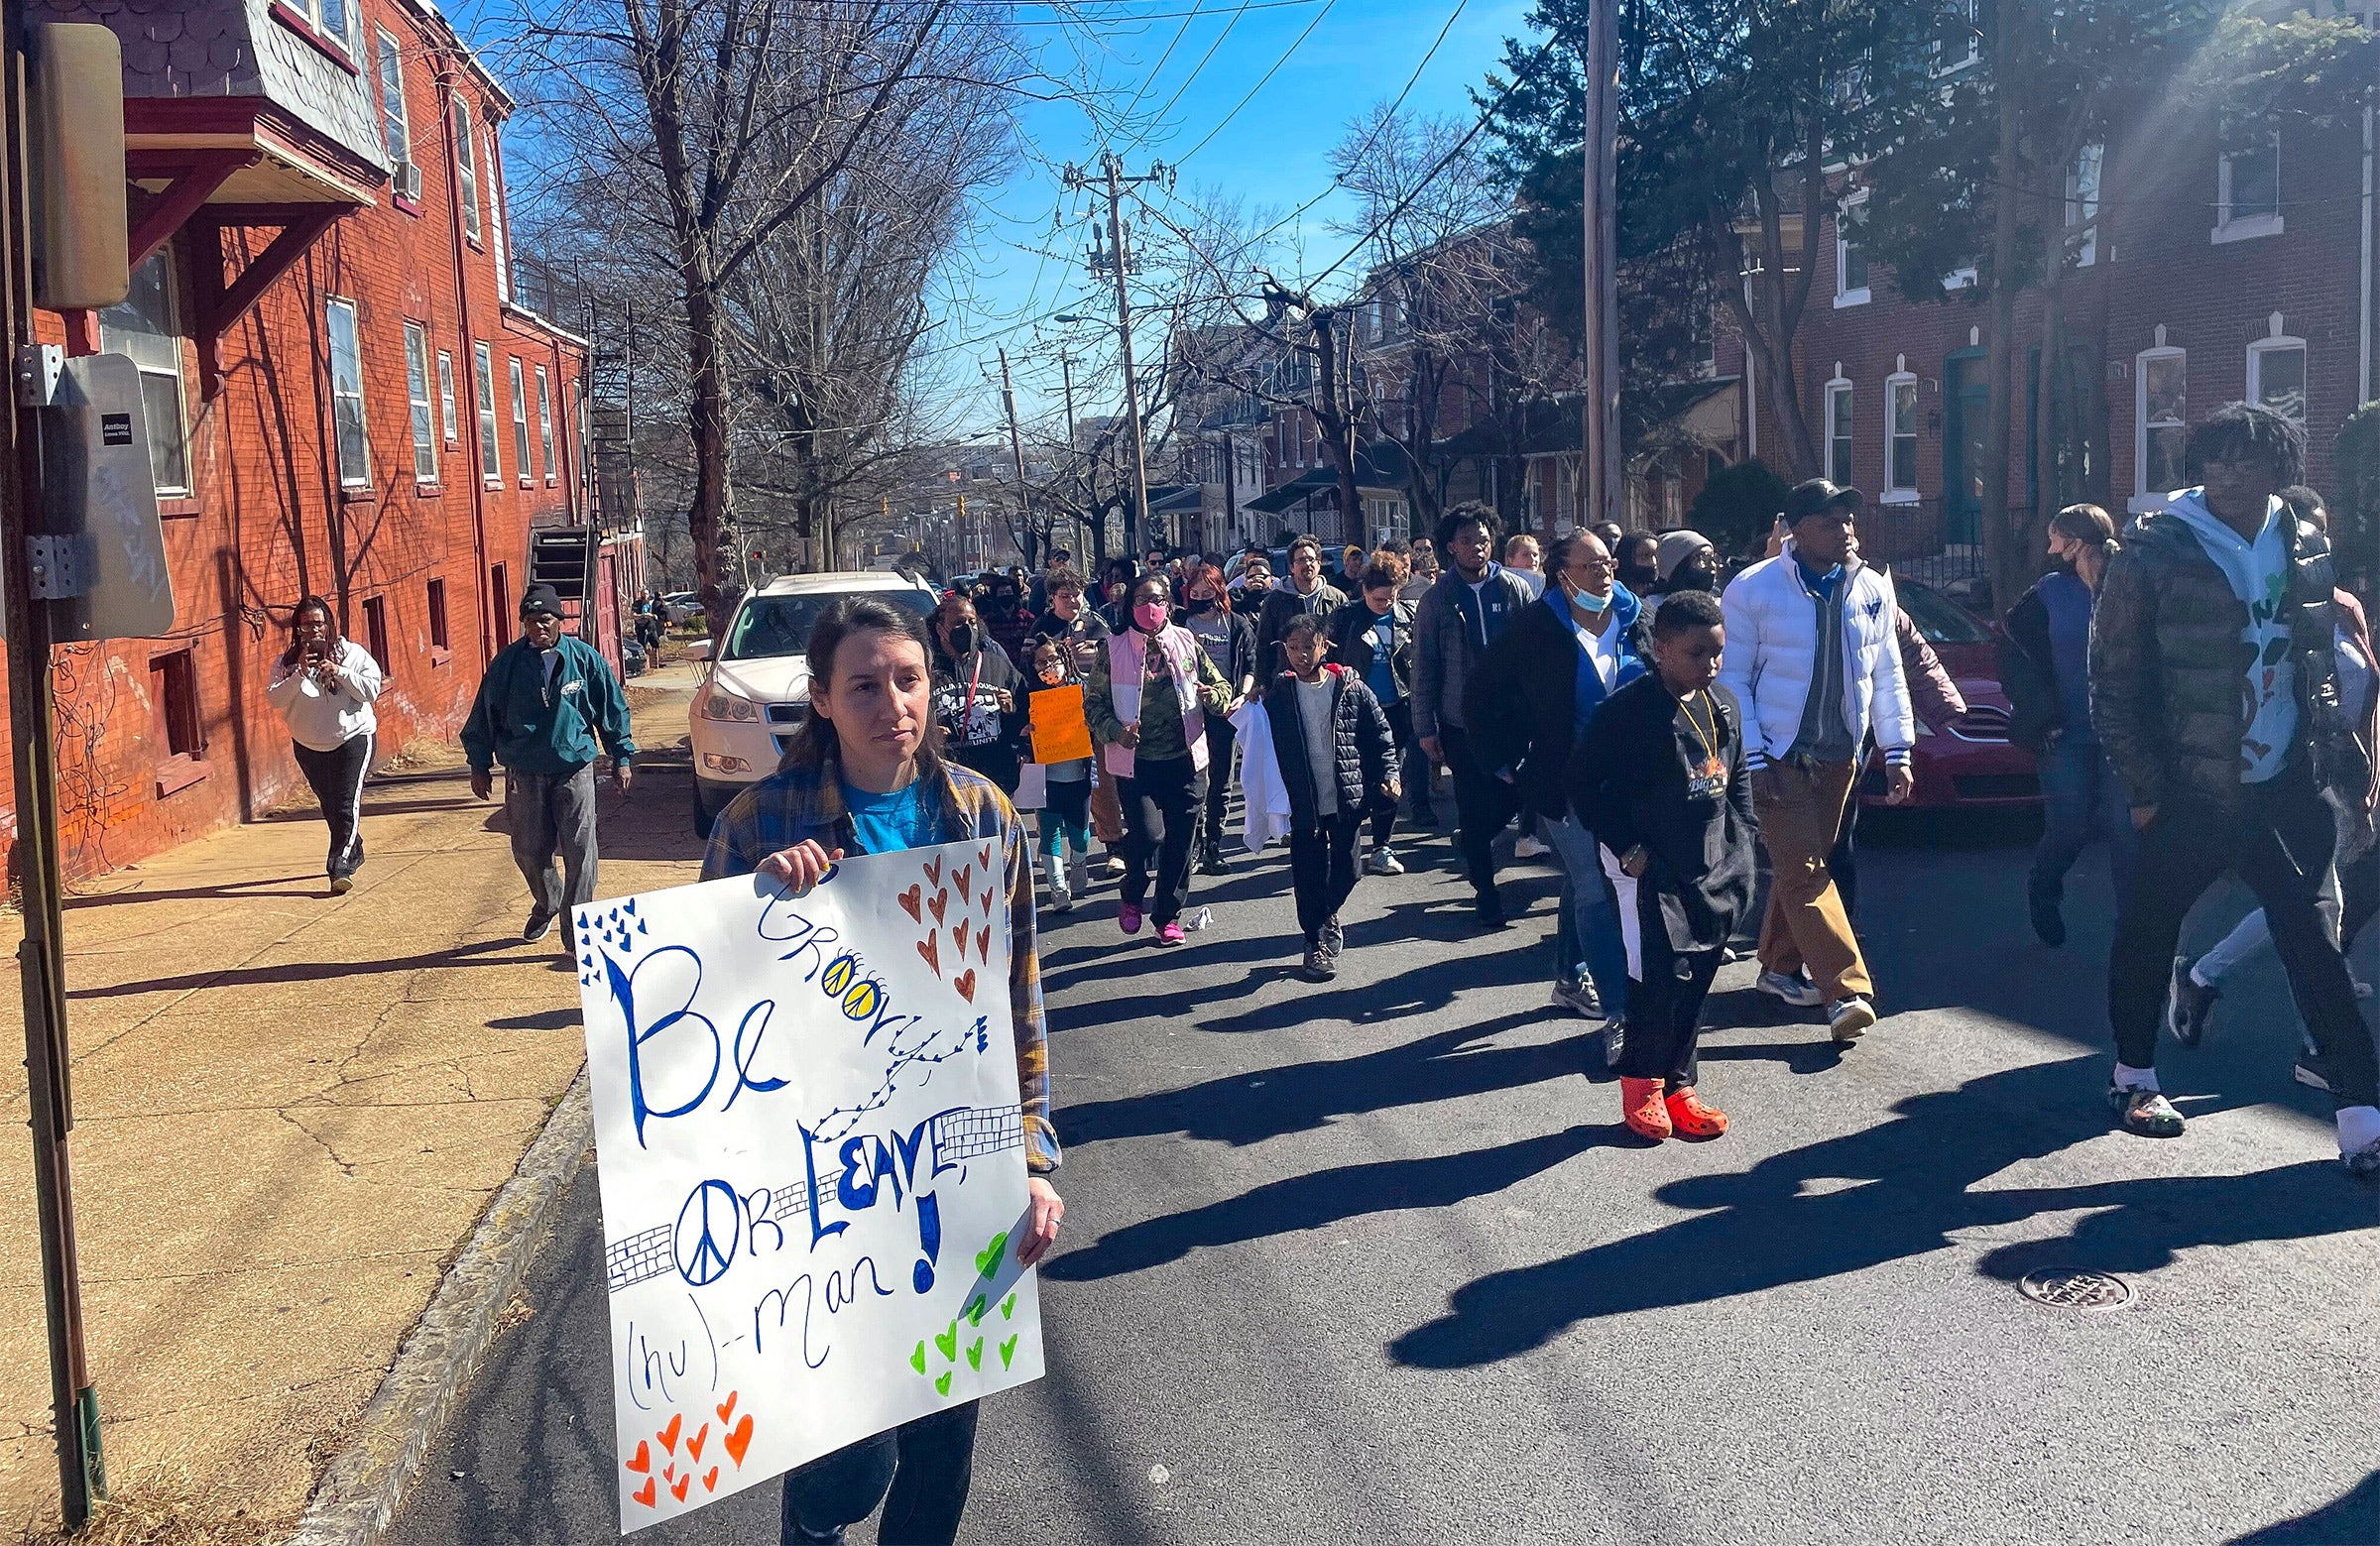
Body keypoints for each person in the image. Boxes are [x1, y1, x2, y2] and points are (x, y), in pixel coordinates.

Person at [695, 596, 1063, 1546]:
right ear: (820, 698)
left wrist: (1030, 1155)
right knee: (848, 1457)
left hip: (952, 1167)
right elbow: (696, 1016)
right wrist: (760, 909)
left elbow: (1015, 996)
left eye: (907, 680)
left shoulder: (979, 814)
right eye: (862, 684)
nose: (891, 702)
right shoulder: (757, 821)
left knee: (944, 1445)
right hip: (823, 1186)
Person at [2090, 405, 2379, 1171]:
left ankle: (2362, 1119)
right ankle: (2134, 1076)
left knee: (2316, 946)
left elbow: (2317, 666)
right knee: (2151, 928)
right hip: (2191, 786)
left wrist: (2342, 765)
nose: (2228, 473)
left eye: (2246, 459)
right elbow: (2112, 682)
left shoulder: (2303, 542)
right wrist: (2146, 790)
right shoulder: (2153, 551)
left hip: (2285, 785)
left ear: (2277, 468)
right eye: (2214, 459)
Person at [2166, 486, 2378, 1089]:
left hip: (2343, 774)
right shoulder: (2255, 602)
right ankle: (2317, 1043)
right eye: (2305, 535)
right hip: (2288, 776)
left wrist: (2370, 780)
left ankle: (2209, 978)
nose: (2316, 548)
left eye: (2320, 536)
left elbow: (2368, 696)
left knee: (2317, 907)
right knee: (2311, 907)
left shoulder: (2344, 607)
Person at [1717, 479, 1915, 1043]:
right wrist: (1752, 758)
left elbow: (1886, 673)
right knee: (1805, 870)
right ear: (1795, 529)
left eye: (1849, 520)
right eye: (1831, 521)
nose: (1846, 531)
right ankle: (1846, 990)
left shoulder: (1871, 587)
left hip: (1840, 758)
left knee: (1803, 867)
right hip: (1778, 757)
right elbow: (1732, 681)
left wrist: (1898, 751)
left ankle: (1779, 970)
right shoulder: (1753, 589)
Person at [1570, 590, 1757, 1142]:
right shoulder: (1626, 712)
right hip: (1651, 867)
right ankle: (1641, 1081)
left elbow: (1736, 774)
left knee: (1699, 976)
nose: (1711, 664)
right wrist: (1627, 845)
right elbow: (1583, 783)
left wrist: (1745, 837)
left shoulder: (1722, 701)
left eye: (1718, 652)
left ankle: (1679, 1081)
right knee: (1657, 975)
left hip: (1715, 864)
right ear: (1661, 648)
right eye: (1697, 653)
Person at [1468, 531, 1645, 1039]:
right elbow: (1483, 691)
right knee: (1596, 887)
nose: (1604, 574)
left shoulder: (1636, 620)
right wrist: (1505, 761)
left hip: (1628, 784)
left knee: (1582, 877)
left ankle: (1569, 977)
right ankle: (1619, 1013)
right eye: (1591, 566)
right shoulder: (1538, 627)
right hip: (1563, 780)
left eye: (1608, 563)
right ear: (1562, 576)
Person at [461, 583, 636, 944]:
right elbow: (484, 715)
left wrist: (621, 757)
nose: (537, 628)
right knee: (527, 849)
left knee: (581, 851)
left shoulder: (585, 660)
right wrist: (479, 764)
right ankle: (547, 901)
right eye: (529, 622)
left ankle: (577, 933)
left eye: (544, 620)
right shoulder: (507, 665)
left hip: (574, 767)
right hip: (524, 770)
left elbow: (612, 710)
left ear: (559, 620)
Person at [2002, 503, 2137, 947]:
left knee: (2126, 831)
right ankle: (2044, 888)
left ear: (2075, 544)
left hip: (2121, 733)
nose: (2049, 547)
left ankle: (2136, 932)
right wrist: (2040, 715)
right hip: (2064, 734)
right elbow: (2013, 656)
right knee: (2071, 825)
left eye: (2055, 537)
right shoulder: (2048, 592)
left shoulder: (2128, 585)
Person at [1086, 571, 1236, 945]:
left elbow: (1220, 686)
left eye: (1157, 600)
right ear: (1129, 605)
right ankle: (1133, 891)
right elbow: (1092, 705)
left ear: (1168, 604)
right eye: (1141, 600)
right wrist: (1115, 732)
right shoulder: (1114, 647)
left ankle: (1167, 916)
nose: (1149, 608)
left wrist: (1211, 696)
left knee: (1181, 841)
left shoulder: (1186, 640)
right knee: (1150, 835)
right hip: (1137, 763)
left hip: (1185, 759)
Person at [1413, 502, 1538, 926]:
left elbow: (1532, 652)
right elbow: (1424, 667)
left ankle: (1476, 839)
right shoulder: (1437, 600)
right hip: (1459, 721)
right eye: (1467, 541)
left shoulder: (1515, 589)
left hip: (1511, 719)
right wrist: (1424, 726)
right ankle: (1486, 891)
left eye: (1483, 540)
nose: (1477, 548)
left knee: (1520, 792)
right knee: (1471, 799)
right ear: (1451, 547)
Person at [1260, 613, 1396, 979]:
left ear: (1325, 646)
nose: (1301, 655)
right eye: (1293, 648)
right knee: (1307, 875)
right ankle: (1315, 944)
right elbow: (1260, 742)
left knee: (1349, 870)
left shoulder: (1349, 686)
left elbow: (1380, 734)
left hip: (1346, 797)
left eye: (1308, 646)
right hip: (1304, 803)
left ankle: (1327, 915)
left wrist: (1390, 774)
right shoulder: (1280, 693)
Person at [266, 595, 384, 895]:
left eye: (318, 624)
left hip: (353, 738)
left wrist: (340, 672)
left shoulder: (352, 654)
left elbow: (372, 690)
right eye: (305, 626)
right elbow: (275, 699)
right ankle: (352, 845)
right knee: (330, 806)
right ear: (297, 629)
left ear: (329, 624)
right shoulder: (286, 664)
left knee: (345, 804)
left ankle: (339, 867)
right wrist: (299, 674)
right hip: (308, 744)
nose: (312, 631)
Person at [1327, 563, 1419, 875]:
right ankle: (1346, 845)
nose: (1386, 604)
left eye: (1391, 598)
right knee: (1358, 781)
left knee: (1391, 781)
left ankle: (1382, 846)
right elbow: (1327, 660)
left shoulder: (1408, 617)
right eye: (1379, 599)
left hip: (1398, 709)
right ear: (1364, 591)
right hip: (1358, 712)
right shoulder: (1345, 619)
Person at [1180, 562, 1258, 876]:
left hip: (1227, 711)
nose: (1200, 598)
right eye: (1195, 593)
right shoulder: (1181, 624)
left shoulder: (1236, 625)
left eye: (1206, 592)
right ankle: (1193, 847)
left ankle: (1214, 845)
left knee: (1222, 782)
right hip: (1190, 713)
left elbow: (1251, 664)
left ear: (1218, 591)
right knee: (1195, 780)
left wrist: (1243, 695)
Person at [927, 592, 1025, 795]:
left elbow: (1025, 718)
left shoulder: (997, 665)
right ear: (940, 629)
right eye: (958, 622)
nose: (967, 629)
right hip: (949, 781)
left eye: (972, 622)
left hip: (995, 779)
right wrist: (930, 733)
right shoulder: (927, 672)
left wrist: (1011, 710)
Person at [1024, 637, 1094, 912]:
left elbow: (1099, 716)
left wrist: (1090, 722)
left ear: (1064, 659)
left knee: (1081, 836)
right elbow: (1016, 726)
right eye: (1041, 662)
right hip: (1046, 777)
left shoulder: (1082, 689)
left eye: (1052, 659)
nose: (1048, 667)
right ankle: (1058, 890)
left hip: (1078, 775)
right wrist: (1025, 730)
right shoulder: (1029, 696)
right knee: (1050, 832)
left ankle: (1078, 862)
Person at [1255, 535, 1348, 673]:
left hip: (1328, 679)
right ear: (1292, 567)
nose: (1307, 564)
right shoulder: (1275, 601)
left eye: (1311, 559)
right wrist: (1262, 683)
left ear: (1319, 563)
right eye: (1301, 560)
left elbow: (1346, 643)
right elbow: (1264, 646)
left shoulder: (1337, 598)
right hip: (1287, 679)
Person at [1653, 530, 1720, 595]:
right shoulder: (1650, 604)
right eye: (1704, 558)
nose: (1713, 565)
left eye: (1713, 558)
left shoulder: (1718, 602)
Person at [1613, 531, 1662, 597]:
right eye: (1644, 556)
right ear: (1627, 558)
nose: (1653, 563)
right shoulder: (1613, 592)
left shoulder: (1663, 592)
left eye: (1655, 555)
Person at [1501, 533, 1547, 598]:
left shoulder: (1544, 580)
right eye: (1525, 555)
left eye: (1535, 555)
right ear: (1510, 559)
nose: (1532, 559)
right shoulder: (1501, 579)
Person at [1401, 536, 1440, 604]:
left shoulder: (1445, 581)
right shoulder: (1404, 591)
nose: (1423, 552)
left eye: (1427, 549)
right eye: (1426, 573)